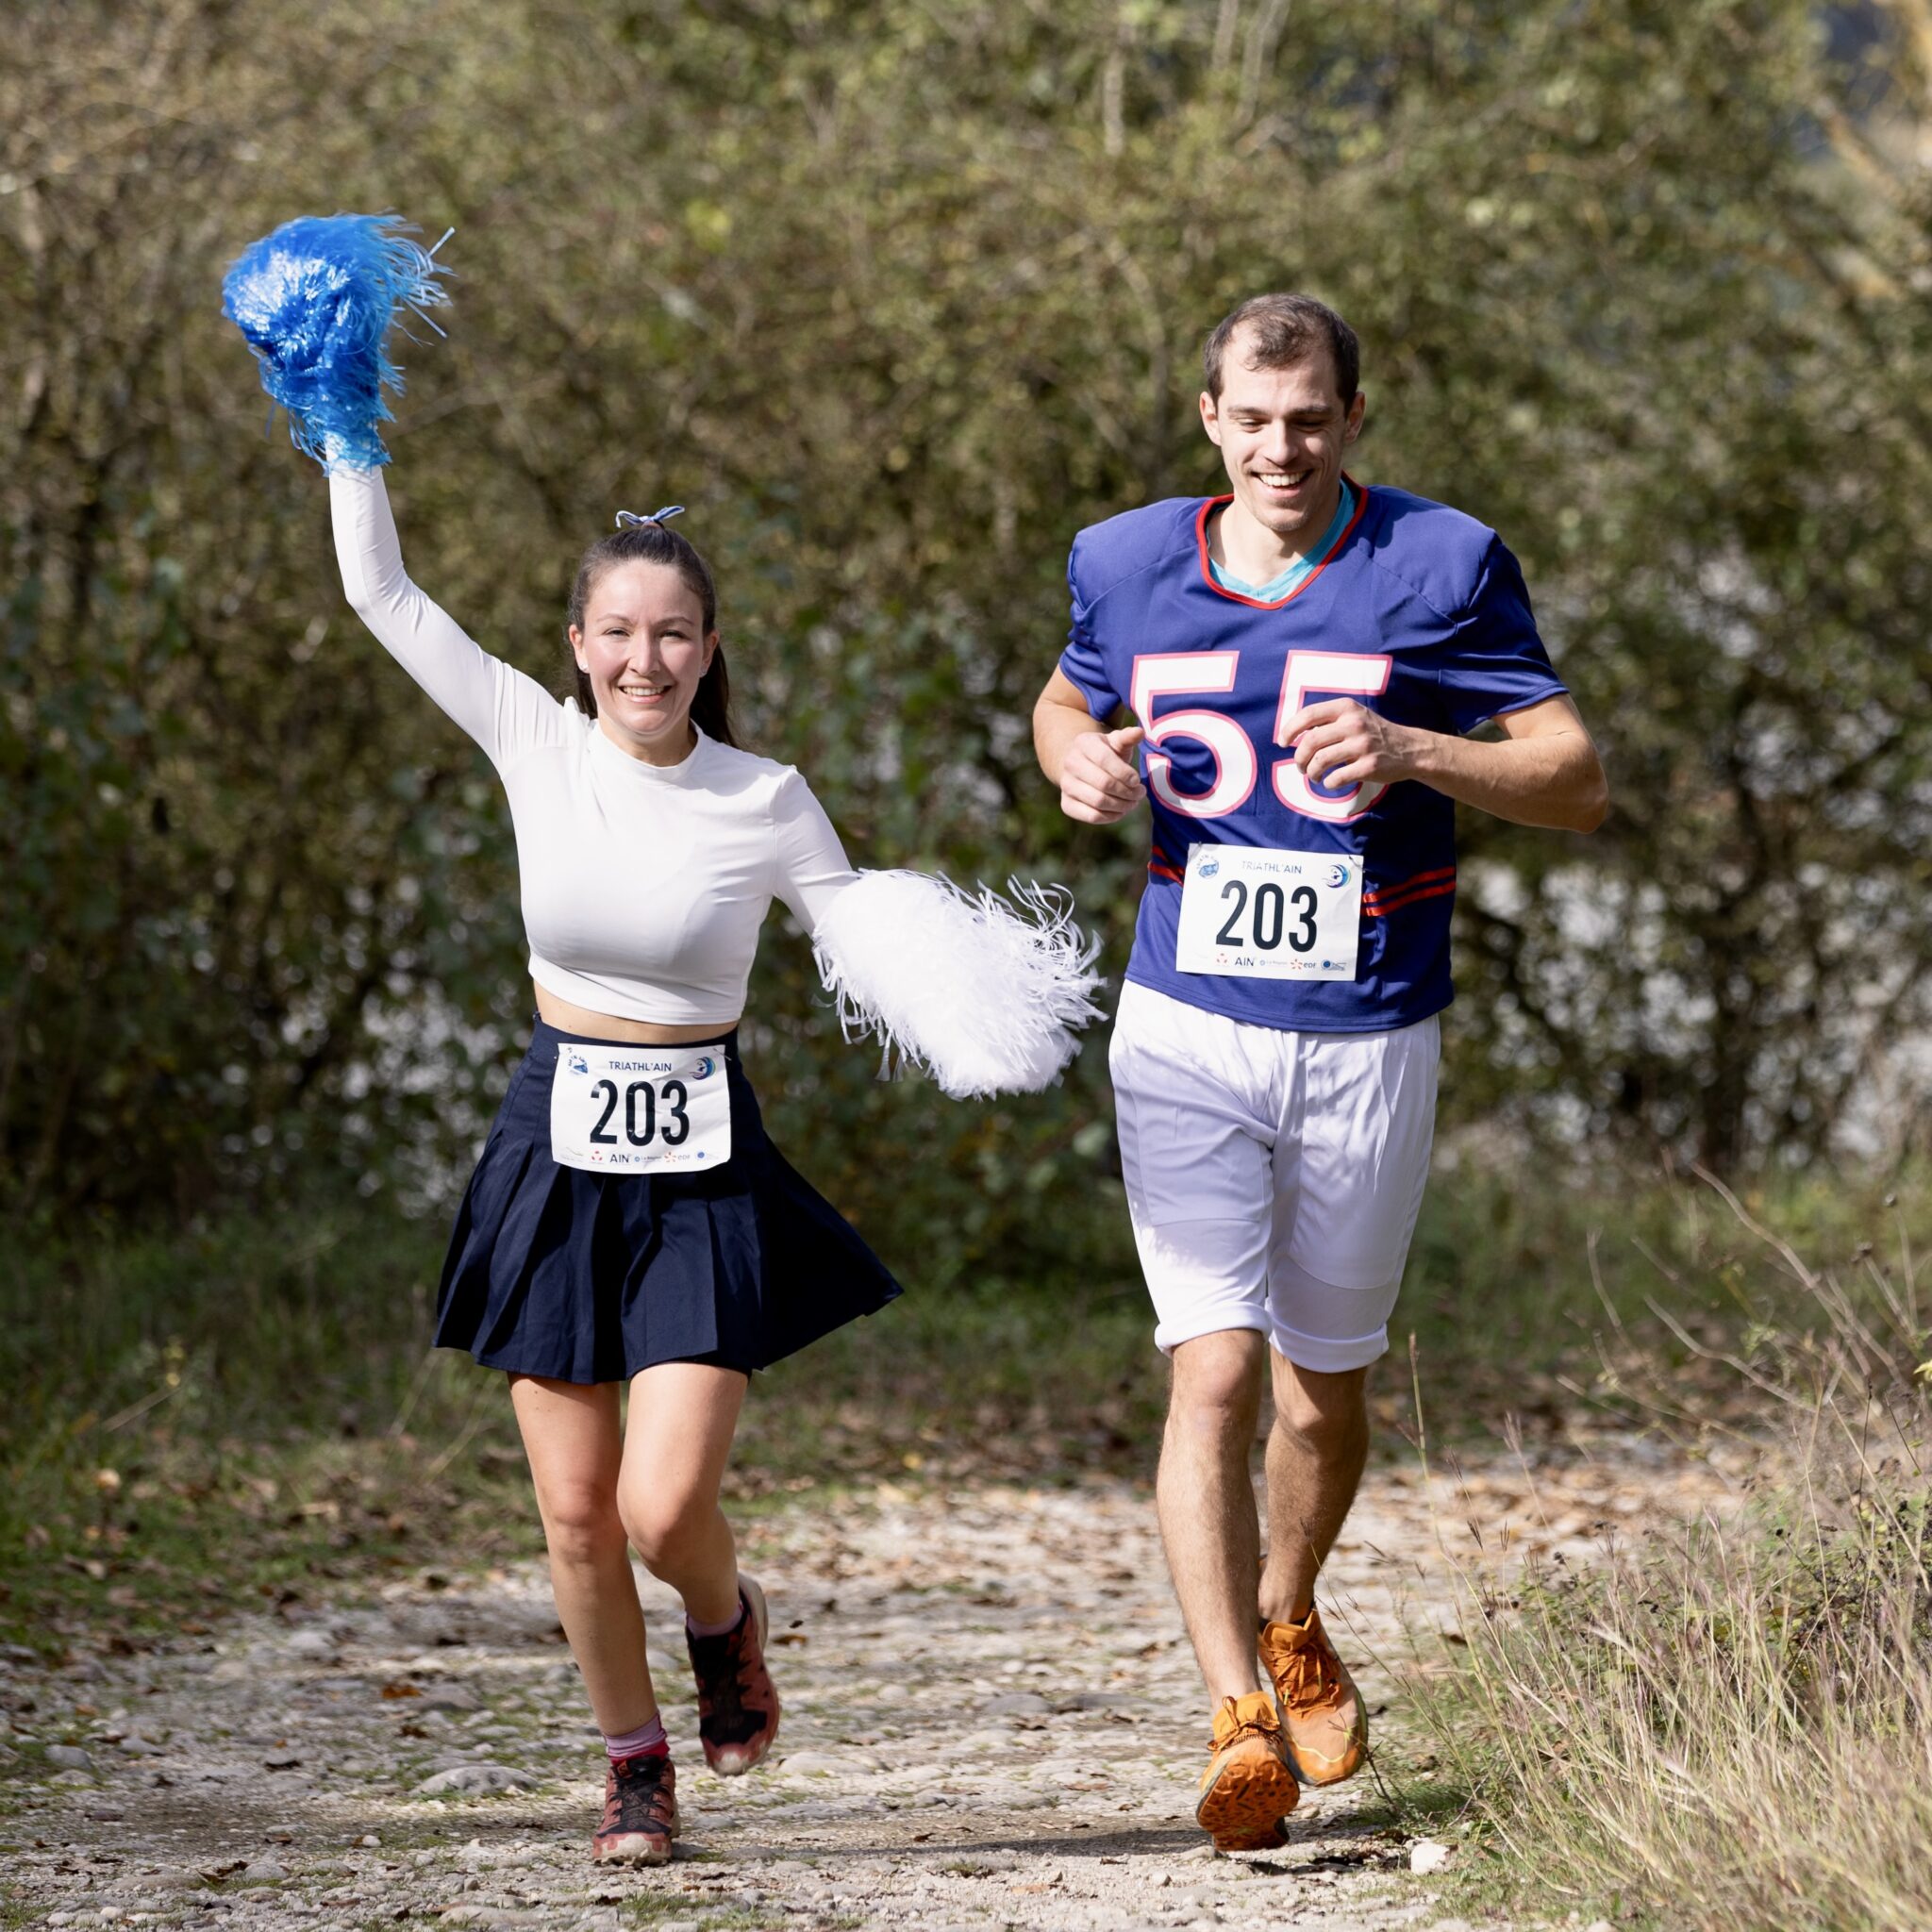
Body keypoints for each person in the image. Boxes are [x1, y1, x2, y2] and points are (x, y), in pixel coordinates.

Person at [1032, 292, 1607, 1851]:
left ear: (1354, 420)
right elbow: (1073, 688)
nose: (1281, 445)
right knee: (1210, 1370)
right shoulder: (1126, 558)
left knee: (1318, 1396)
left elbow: (1572, 780)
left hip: (1370, 1029)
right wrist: (1071, 751)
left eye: (1311, 419)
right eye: (1252, 417)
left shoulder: (1443, 562)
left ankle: (1290, 1610)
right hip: (1187, 1024)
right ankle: (1234, 1718)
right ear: (1207, 417)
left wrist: (1422, 751)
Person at [331, 466, 908, 1864]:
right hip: (558, 1140)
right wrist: (344, 427)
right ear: (578, 644)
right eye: (619, 632)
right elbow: (381, 594)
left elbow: (868, 944)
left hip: (704, 1157)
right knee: (577, 1512)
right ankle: (634, 1769)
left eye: (673, 634)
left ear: (708, 653)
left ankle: (724, 1620)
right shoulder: (535, 737)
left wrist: (980, 990)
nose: (644, 659)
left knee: (661, 1506)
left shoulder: (764, 795)